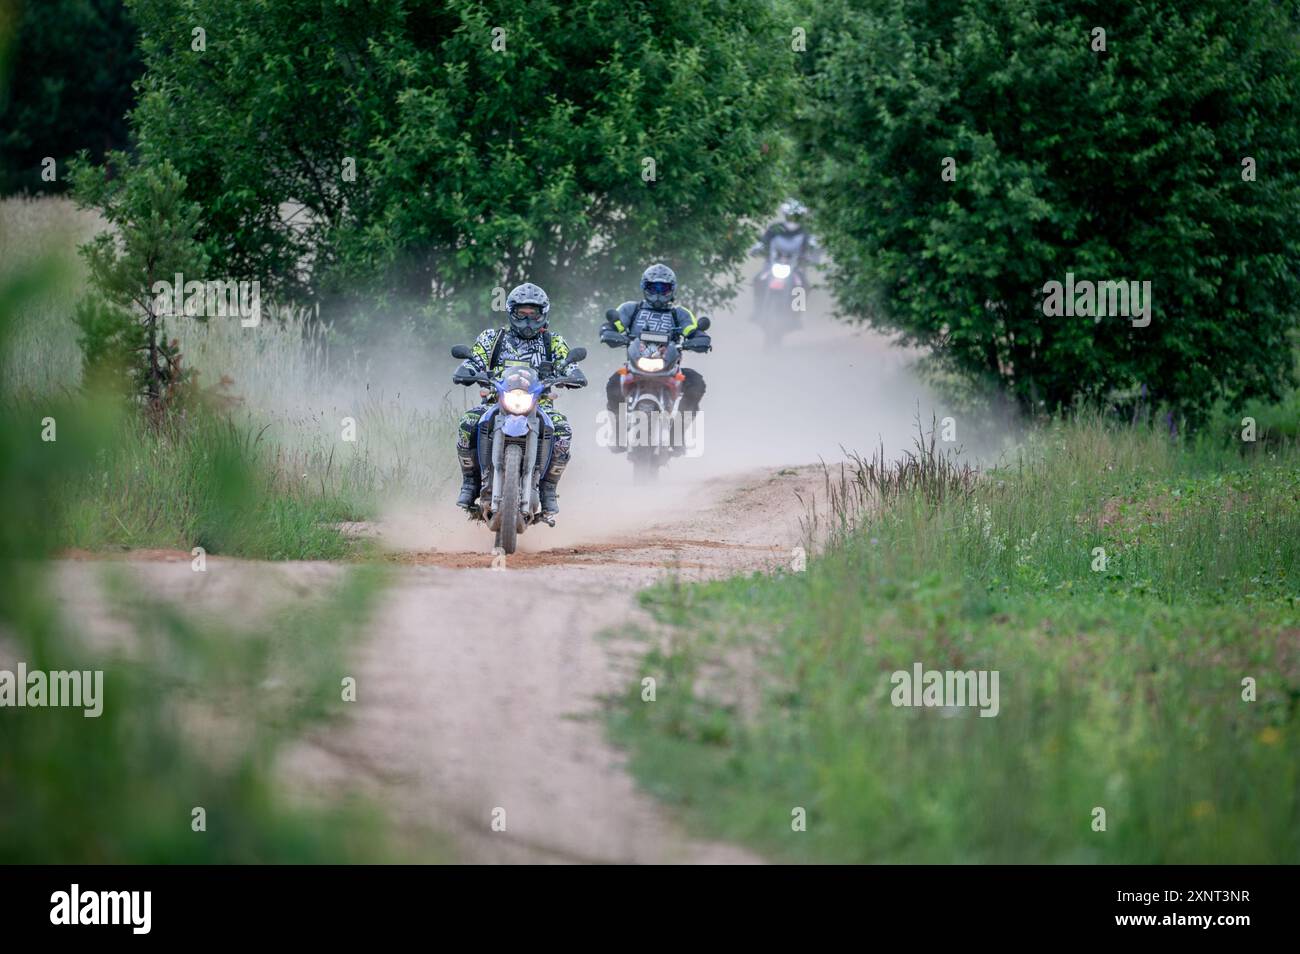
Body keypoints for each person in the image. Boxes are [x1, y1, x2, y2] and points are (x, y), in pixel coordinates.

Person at [452, 282, 586, 514]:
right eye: (521, 313)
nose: (527, 320)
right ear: (511, 312)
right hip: (496, 402)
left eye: (533, 314)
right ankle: (470, 482)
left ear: (542, 314)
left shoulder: (552, 342)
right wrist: (468, 370)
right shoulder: (492, 338)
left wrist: (573, 374)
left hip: (540, 406)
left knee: (563, 431)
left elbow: (569, 363)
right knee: (467, 423)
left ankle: (548, 489)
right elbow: (473, 360)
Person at [598, 263, 710, 442]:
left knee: (696, 384)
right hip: (634, 366)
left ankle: (678, 433)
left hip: (671, 369)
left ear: (672, 290)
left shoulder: (679, 313)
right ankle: (618, 434)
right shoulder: (630, 309)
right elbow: (612, 325)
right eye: (653, 287)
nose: (658, 293)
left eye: (663, 288)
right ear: (645, 287)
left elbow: (694, 331)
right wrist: (608, 331)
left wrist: (700, 339)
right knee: (613, 385)